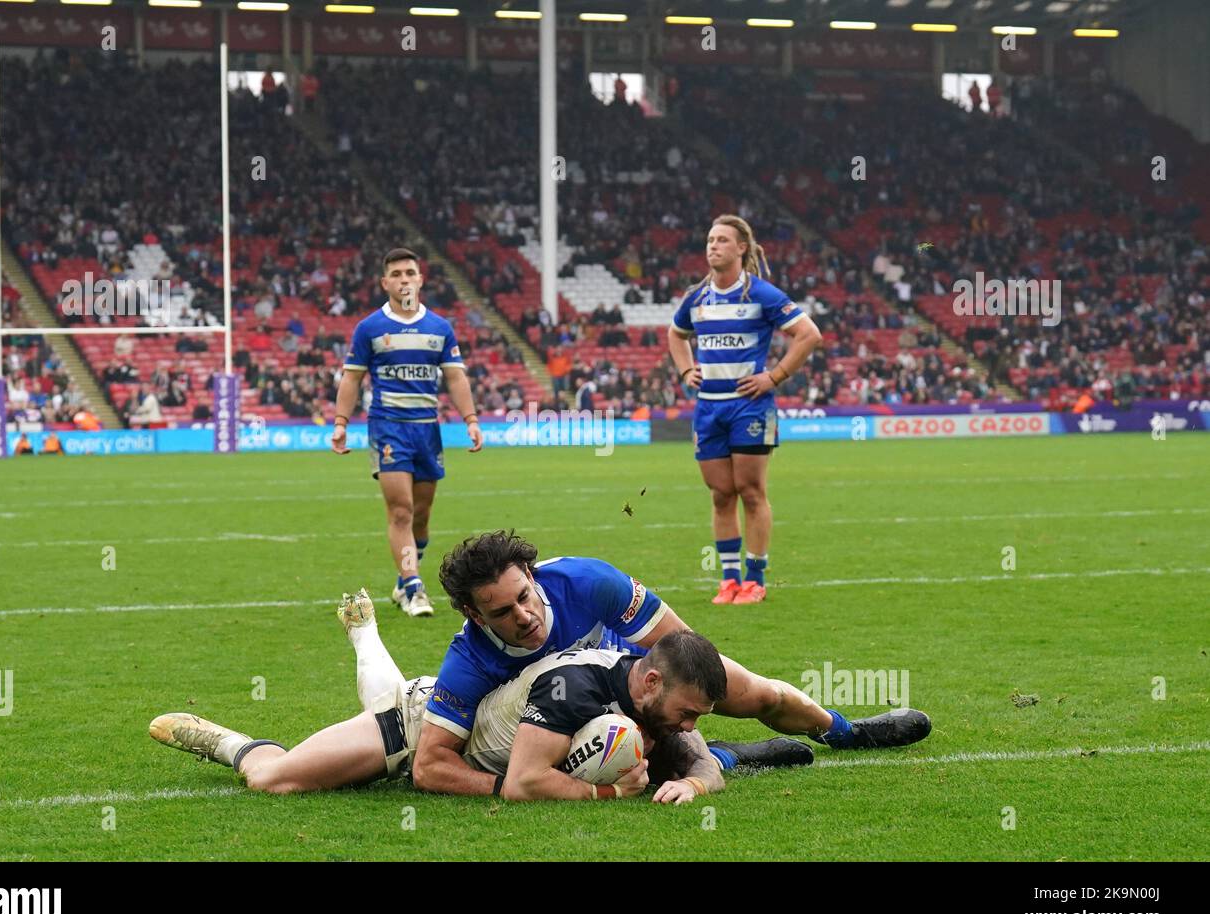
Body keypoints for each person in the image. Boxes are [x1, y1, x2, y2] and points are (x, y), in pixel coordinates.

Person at [409, 531, 931, 796]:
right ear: (475, 615)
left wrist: (678, 702)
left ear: (530, 573)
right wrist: (523, 787)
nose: (522, 615)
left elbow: (681, 647)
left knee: (753, 693)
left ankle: (843, 732)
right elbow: (430, 764)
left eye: (525, 595)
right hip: (573, 722)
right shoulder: (468, 658)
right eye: (503, 611)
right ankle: (729, 758)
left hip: (639, 680)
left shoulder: (590, 583)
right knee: (645, 767)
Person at [148, 594, 802, 802]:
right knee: (278, 781)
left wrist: (696, 784)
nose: (689, 725)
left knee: (390, 693)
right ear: (651, 684)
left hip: (472, 717)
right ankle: (228, 741)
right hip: (417, 726)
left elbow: (700, 758)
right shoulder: (577, 687)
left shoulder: (655, 696)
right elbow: (523, 782)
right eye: (687, 711)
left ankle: (367, 637)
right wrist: (607, 793)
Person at [667, 215, 823, 604]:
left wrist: (775, 376)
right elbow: (675, 334)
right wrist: (686, 368)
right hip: (709, 410)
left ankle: (755, 580)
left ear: (741, 248)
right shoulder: (697, 298)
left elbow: (809, 334)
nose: (713, 246)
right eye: (710, 239)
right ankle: (729, 580)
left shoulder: (762, 294)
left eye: (722, 240)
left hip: (749, 408)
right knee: (721, 494)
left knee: (751, 492)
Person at [331, 248, 484, 617]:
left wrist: (471, 419)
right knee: (400, 510)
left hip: (427, 431)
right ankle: (414, 588)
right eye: (396, 273)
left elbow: (454, 377)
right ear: (385, 283)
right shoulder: (369, 328)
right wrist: (340, 423)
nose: (403, 279)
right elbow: (352, 378)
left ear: (420, 279)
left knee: (421, 515)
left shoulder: (439, 328)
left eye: (409, 272)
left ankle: (403, 580)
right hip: (388, 430)